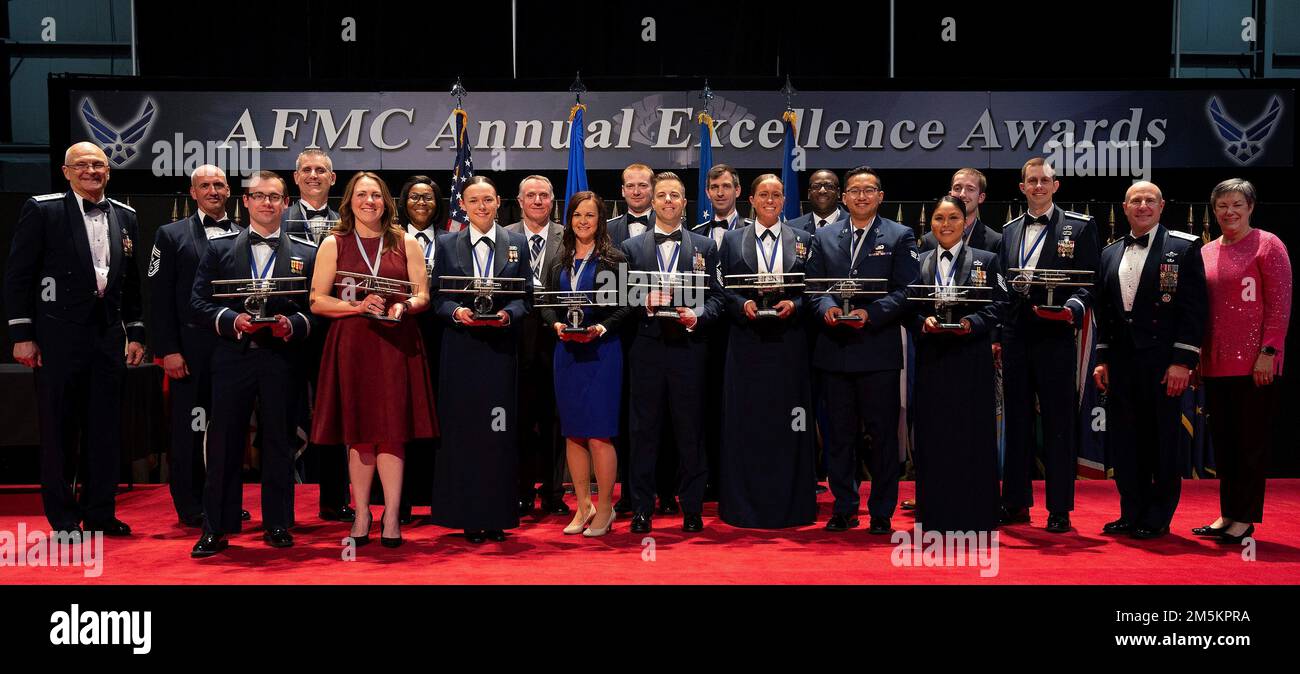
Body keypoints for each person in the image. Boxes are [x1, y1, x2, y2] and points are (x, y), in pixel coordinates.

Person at [4, 141, 145, 536]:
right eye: (81, 165)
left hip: (106, 340)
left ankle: (100, 512)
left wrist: (135, 332)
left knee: (105, 431)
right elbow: (18, 276)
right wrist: (22, 334)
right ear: (66, 171)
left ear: (109, 171)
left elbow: (130, 284)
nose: (91, 171)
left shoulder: (127, 216)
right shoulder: (43, 209)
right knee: (59, 429)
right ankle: (64, 519)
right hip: (56, 338)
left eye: (98, 165)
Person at [189, 171, 318, 556]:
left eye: (274, 197)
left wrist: (291, 325)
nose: (266, 203)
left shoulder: (307, 252)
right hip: (233, 356)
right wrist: (232, 321)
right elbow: (198, 304)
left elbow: (316, 310)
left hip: (282, 358)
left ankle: (278, 523)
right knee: (225, 442)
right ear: (244, 201)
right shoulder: (218, 249)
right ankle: (216, 527)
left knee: (279, 442)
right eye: (258, 196)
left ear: (286, 202)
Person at [309, 172, 437, 548]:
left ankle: (392, 515)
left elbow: (423, 295)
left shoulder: (406, 241)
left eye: (376, 195)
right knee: (360, 434)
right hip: (353, 344)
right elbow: (317, 299)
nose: (370, 202)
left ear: (386, 202)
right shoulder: (334, 243)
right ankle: (362, 512)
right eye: (362, 195)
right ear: (349, 201)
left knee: (393, 433)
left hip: (397, 342)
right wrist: (356, 306)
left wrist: (403, 306)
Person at [804, 165, 919, 535]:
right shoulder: (823, 237)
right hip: (835, 349)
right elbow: (813, 288)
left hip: (877, 351)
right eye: (854, 190)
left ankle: (882, 510)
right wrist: (827, 309)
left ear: (880, 196)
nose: (861, 196)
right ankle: (844, 506)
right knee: (838, 436)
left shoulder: (900, 235)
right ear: (844, 197)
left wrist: (871, 313)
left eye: (869, 190)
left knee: (883, 436)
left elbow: (908, 292)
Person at [1092, 181, 1206, 540]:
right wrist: (1103, 359)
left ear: (1161, 206)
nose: (1142, 206)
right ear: (1125, 207)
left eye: (1149, 200)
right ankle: (1131, 511)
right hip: (1123, 362)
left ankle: (1158, 514)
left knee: (1162, 441)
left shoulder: (1183, 247)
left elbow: (1193, 309)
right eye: (1135, 200)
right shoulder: (1110, 252)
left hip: (1162, 362)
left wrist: (1182, 362)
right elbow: (1106, 312)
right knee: (1126, 441)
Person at [995, 157, 1099, 533]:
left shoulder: (1079, 227)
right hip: (1016, 335)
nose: (1038, 187)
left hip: (1056, 334)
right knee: (1018, 422)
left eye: (1045, 181)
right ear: (1022, 187)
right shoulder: (1007, 231)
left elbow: (1091, 281)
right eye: (1031, 181)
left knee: (1058, 423)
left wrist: (1072, 308)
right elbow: (1001, 286)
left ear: (1056, 186)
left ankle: (1059, 508)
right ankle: (1016, 503)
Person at [430, 175, 532, 544]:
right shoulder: (446, 243)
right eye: (474, 201)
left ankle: (496, 515)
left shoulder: (516, 244)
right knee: (464, 434)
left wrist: (510, 316)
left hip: (499, 353)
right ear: (464, 205)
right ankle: (467, 516)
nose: (482, 207)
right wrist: (456, 313)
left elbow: (526, 298)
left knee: (498, 434)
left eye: (488, 200)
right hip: (461, 352)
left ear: (498, 201)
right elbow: (436, 298)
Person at [620, 171, 723, 534]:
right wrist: (642, 301)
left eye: (674, 196)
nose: (667, 201)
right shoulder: (631, 248)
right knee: (643, 432)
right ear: (653, 200)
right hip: (646, 351)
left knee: (690, 431)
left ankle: (692, 508)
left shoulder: (706, 247)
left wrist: (697, 316)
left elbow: (719, 299)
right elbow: (618, 297)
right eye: (661, 195)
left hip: (688, 351)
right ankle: (641, 509)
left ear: (684, 202)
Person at [149, 164, 249, 527]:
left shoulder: (244, 233)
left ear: (229, 191)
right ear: (193, 193)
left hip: (232, 350)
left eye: (219, 184)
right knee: (190, 431)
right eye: (204, 185)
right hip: (188, 351)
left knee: (228, 429)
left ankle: (223, 501)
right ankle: (190, 505)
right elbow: (158, 299)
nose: (212, 191)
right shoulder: (170, 234)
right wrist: (168, 350)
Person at [1194, 179, 1291, 544]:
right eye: (1222, 206)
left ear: (1250, 206)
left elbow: (1280, 305)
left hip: (1255, 365)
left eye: (1237, 204)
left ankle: (1244, 519)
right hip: (1216, 363)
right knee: (1225, 445)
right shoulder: (1206, 252)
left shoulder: (1268, 245)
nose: (1229, 212)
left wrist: (1269, 353)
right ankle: (1228, 513)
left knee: (1250, 444)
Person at [717, 174, 816, 528]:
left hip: (788, 346)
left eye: (776, 194)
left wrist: (796, 303)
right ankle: (743, 507)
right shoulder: (730, 240)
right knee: (747, 423)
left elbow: (813, 291)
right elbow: (722, 289)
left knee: (792, 423)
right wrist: (741, 304)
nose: (770, 200)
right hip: (746, 346)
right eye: (763, 194)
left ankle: (792, 506)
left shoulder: (804, 240)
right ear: (752, 200)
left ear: (784, 199)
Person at [905, 196, 1004, 534]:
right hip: (932, 357)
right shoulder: (917, 261)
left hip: (971, 357)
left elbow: (1000, 305)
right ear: (930, 224)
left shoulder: (987, 260)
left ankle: (976, 514)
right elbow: (906, 305)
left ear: (965, 222)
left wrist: (972, 323)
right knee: (934, 435)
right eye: (938, 218)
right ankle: (934, 514)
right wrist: (923, 320)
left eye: (953, 218)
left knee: (972, 434)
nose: (945, 225)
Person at [539, 191, 631, 536]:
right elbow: (545, 304)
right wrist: (556, 324)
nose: (583, 222)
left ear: (600, 220)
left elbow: (627, 306)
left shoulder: (614, 259)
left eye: (590, 216)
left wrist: (601, 328)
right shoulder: (559, 260)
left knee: (599, 433)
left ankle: (606, 508)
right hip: (567, 353)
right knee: (573, 432)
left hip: (602, 352)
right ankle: (583, 506)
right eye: (577, 215)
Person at [281, 149, 353, 524]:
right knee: (285, 418)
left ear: (332, 177)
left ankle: (335, 500)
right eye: (306, 170)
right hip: (288, 333)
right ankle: (282, 509)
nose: (313, 175)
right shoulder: (279, 216)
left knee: (335, 418)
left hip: (334, 333)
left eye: (320, 170)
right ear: (295, 178)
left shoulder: (348, 222)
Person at [506, 175, 570, 518]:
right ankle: (522, 491)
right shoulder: (505, 236)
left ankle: (554, 492)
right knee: (519, 419)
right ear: (519, 201)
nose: (537, 201)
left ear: (552, 200)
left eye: (544, 195)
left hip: (556, 338)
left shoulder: (568, 236)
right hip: (513, 338)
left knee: (554, 421)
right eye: (530, 195)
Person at [397, 175, 444, 525]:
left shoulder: (452, 240)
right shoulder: (390, 240)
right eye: (415, 197)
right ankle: (402, 500)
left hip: (442, 337)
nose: (422, 203)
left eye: (428, 197)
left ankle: (438, 496)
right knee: (404, 416)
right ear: (404, 202)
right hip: (401, 335)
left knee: (438, 416)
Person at [919, 168, 1003, 254]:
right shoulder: (928, 241)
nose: (962, 194)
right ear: (950, 194)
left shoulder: (995, 242)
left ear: (981, 197)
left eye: (970, 189)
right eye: (957, 188)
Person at [691, 163, 744, 247]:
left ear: (737, 190)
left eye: (726, 186)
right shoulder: (696, 233)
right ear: (708, 193)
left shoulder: (752, 230)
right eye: (714, 187)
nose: (720, 193)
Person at [787, 169, 848, 236]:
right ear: (809, 194)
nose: (822, 191)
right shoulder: (791, 228)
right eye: (816, 186)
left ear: (838, 193)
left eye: (829, 186)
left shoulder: (854, 223)